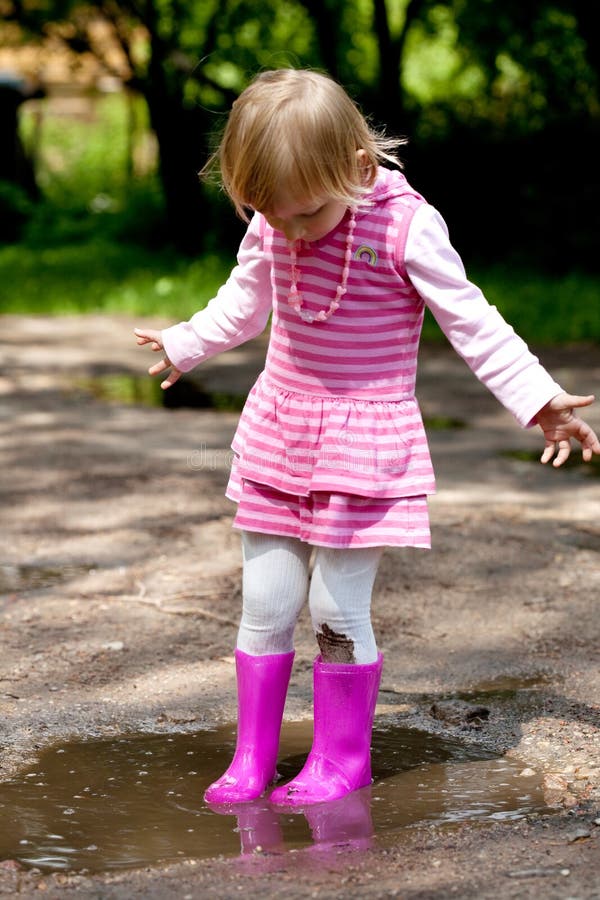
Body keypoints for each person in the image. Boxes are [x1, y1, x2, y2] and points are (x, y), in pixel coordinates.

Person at [134, 68, 600, 809]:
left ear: (354, 168)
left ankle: (340, 758)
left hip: (365, 444)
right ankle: (253, 755)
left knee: (335, 611)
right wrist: (187, 340)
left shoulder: (406, 225)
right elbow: (244, 305)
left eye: (306, 213)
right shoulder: (277, 219)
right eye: (268, 214)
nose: (289, 231)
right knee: (265, 600)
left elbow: (473, 322)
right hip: (280, 431)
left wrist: (539, 398)